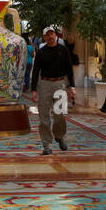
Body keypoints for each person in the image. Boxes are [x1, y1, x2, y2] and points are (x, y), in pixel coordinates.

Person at [31, 26, 76, 155]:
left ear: (55, 36)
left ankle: (60, 136)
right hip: (45, 84)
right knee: (44, 117)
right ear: (44, 37)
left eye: (52, 34)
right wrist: (34, 90)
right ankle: (47, 144)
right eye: (47, 35)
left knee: (60, 115)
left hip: (60, 84)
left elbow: (69, 69)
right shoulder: (41, 52)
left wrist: (71, 86)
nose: (50, 36)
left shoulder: (63, 50)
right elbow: (35, 71)